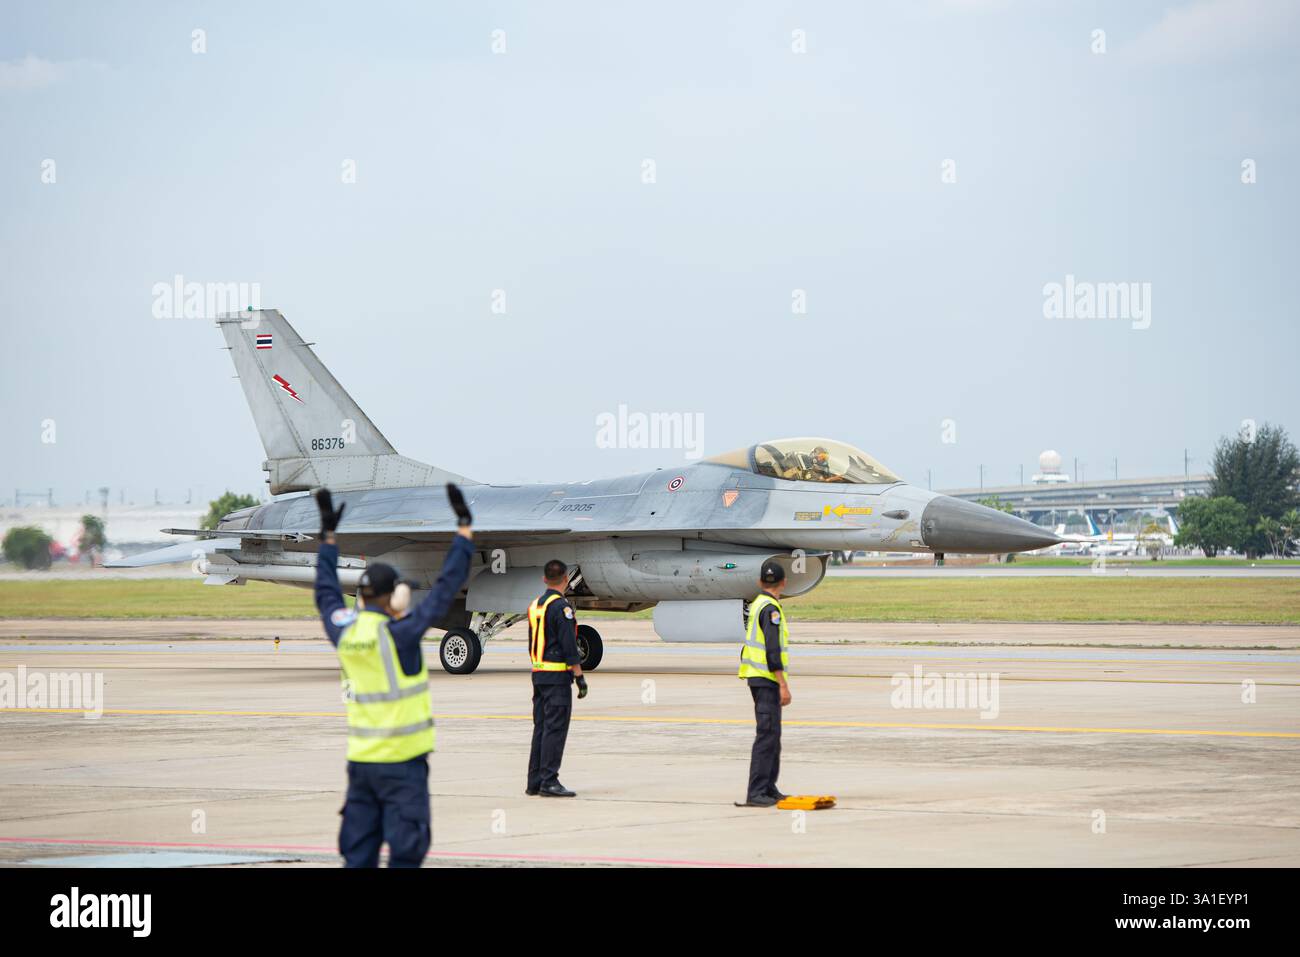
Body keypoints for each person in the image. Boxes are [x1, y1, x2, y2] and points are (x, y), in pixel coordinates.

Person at [313, 483, 474, 867]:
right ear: (394, 597)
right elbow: (444, 590)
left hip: (362, 765)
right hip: (403, 765)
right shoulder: (399, 634)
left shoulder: (344, 631)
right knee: (406, 852)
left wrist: (328, 538)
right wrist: (464, 531)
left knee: (359, 852)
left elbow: (325, 594)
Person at [525, 559, 587, 797]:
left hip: (538, 674)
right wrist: (579, 677)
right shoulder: (562, 608)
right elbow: (569, 645)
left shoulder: (535, 606)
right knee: (555, 729)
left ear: (544, 579)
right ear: (565, 580)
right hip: (557, 677)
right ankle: (549, 781)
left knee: (540, 728)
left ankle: (534, 781)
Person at [736, 559, 792, 807]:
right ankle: (757, 792)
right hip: (766, 679)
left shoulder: (758, 604)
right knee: (767, 736)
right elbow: (772, 649)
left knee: (772, 735)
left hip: (757, 678)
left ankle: (768, 788)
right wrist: (783, 684)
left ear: (760, 582)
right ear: (784, 582)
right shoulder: (770, 609)